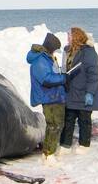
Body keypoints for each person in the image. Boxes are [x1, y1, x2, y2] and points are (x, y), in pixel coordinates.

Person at [60, 26, 98, 154]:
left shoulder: (88, 52)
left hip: (84, 92)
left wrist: (90, 92)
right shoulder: (67, 51)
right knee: (68, 119)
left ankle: (84, 145)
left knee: (84, 120)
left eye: (70, 35)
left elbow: (94, 74)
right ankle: (65, 145)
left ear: (76, 37)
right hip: (71, 91)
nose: (67, 38)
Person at [26, 32, 68, 160]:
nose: (55, 52)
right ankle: (49, 154)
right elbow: (46, 79)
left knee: (57, 124)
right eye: (55, 49)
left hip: (54, 96)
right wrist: (64, 78)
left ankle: (49, 152)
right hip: (49, 97)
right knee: (54, 125)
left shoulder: (47, 58)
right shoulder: (40, 60)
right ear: (50, 47)